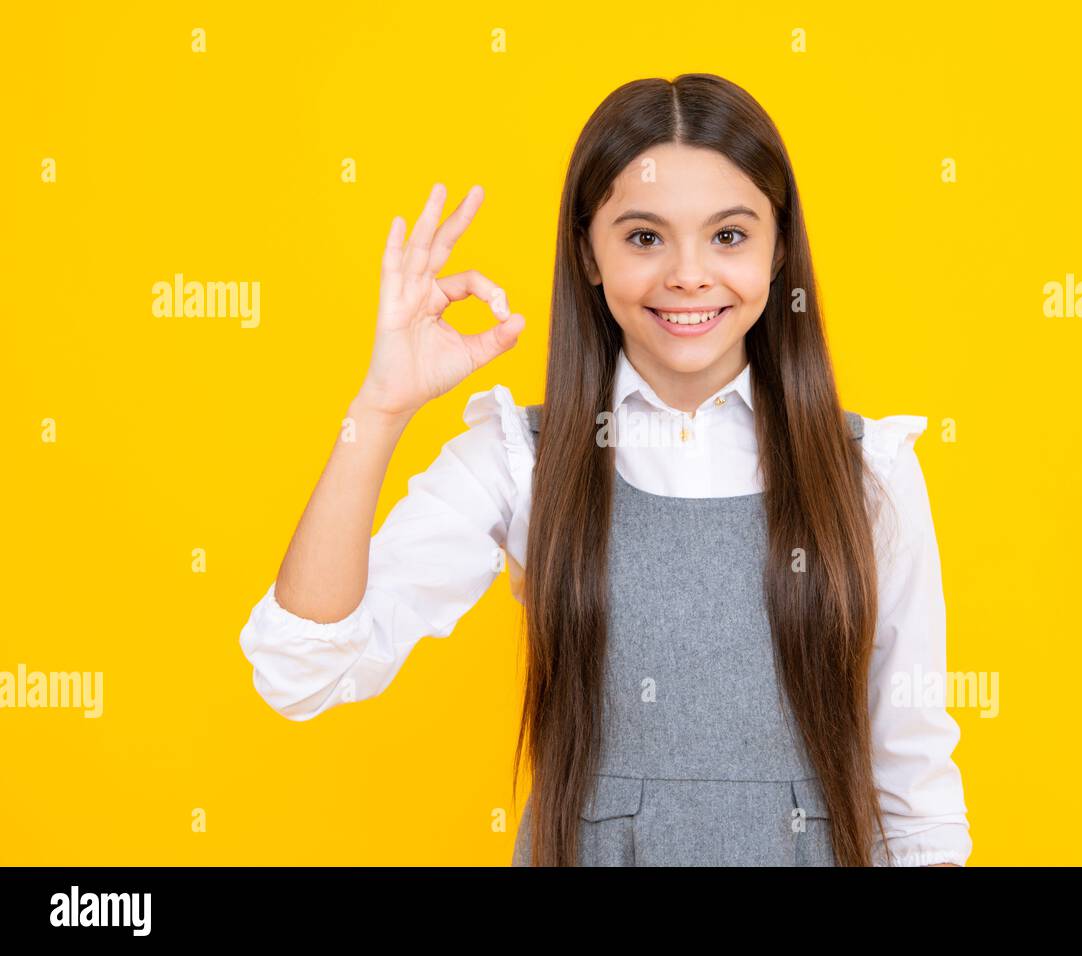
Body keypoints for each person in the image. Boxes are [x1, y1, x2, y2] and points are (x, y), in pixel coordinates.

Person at [239, 73, 972, 868]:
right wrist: (379, 407)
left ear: (778, 248)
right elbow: (301, 669)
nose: (689, 275)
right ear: (589, 252)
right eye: (645, 237)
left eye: (729, 236)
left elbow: (916, 784)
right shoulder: (523, 458)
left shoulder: (868, 473)